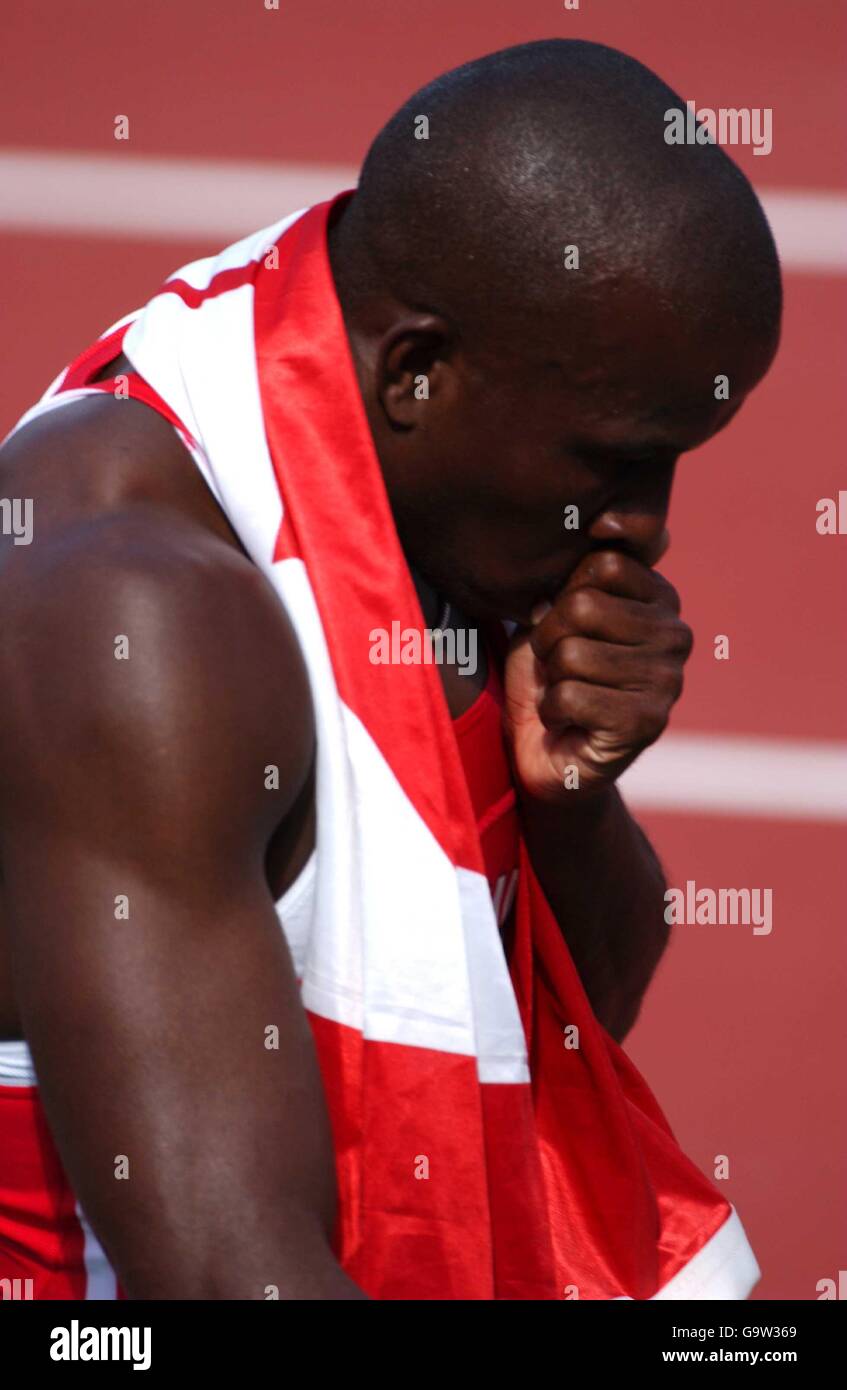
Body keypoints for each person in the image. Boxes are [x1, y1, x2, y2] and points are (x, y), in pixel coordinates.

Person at [0, 38, 780, 1300]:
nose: (645, 525)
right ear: (416, 372)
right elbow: (224, 1278)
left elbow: (571, 1028)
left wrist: (569, 803)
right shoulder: (137, 624)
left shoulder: (426, 499)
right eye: (615, 462)